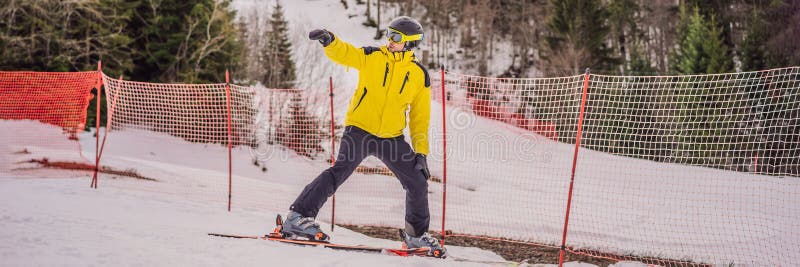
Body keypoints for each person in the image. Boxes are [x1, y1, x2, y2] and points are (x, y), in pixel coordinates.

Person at [281, 16, 444, 255]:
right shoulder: (372, 56)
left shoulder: (420, 75)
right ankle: (298, 216)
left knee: (417, 181)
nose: (389, 40)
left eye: (396, 37)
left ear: (410, 43)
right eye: (388, 34)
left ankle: (416, 236)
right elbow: (346, 54)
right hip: (360, 130)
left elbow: (420, 118)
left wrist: (421, 152)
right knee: (340, 171)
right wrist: (330, 41)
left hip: (391, 138)